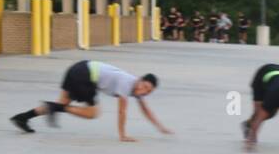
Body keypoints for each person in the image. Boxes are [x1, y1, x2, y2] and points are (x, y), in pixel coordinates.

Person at [9, 60, 169, 142]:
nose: (144, 91)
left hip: (77, 68)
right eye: (144, 86)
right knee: (93, 113)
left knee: (60, 105)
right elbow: (122, 110)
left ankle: (22, 118)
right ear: (140, 79)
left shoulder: (136, 88)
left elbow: (146, 110)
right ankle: (52, 107)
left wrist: (161, 127)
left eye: (148, 91)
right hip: (86, 75)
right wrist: (123, 135)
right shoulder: (126, 83)